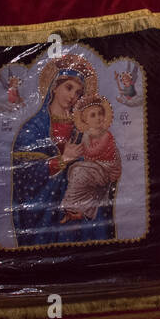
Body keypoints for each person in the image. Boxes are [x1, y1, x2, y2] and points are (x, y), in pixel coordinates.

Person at [10, 55, 111, 246]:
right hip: (47, 209)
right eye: (69, 88)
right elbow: (23, 173)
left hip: (80, 204)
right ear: (54, 87)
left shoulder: (81, 127)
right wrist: (62, 160)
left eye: (79, 93)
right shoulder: (34, 128)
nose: (73, 96)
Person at [59, 95, 122, 224]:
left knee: (80, 174)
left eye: (100, 114)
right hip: (94, 167)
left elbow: (93, 151)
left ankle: (73, 209)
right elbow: (85, 152)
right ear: (85, 119)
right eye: (93, 115)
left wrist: (83, 144)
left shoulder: (105, 134)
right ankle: (72, 211)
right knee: (77, 173)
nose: (98, 117)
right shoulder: (87, 134)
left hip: (106, 168)